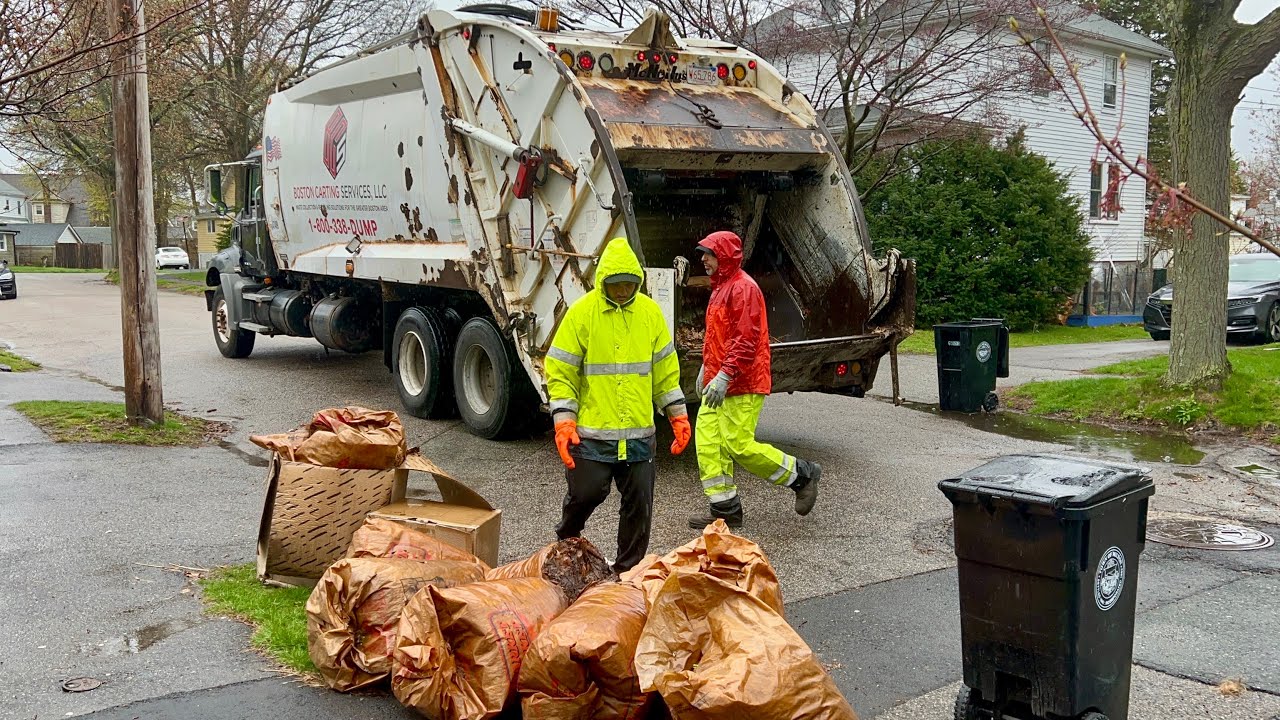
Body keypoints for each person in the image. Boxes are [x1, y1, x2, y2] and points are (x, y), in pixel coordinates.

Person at [545, 237, 691, 572]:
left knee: (639, 505)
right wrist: (564, 421)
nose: (623, 291)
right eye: (616, 285)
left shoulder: (650, 314)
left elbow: (665, 373)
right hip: (594, 434)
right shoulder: (583, 314)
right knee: (587, 493)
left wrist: (678, 415)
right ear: (603, 282)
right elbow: (561, 370)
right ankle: (567, 535)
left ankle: (627, 571)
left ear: (637, 282)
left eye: (629, 284)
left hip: (639, 434)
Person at [689, 230, 820, 529]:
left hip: (742, 382)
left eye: (707, 254)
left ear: (722, 256)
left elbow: (746, 339)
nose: (703, 260)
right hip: (722, 380)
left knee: (737, 444)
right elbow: (719, 339)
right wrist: (707, 369)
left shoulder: (742, 289)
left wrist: (723, 375)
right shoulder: (722, 287)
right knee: (709, 443)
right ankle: (725, 508)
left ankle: (802, 475)